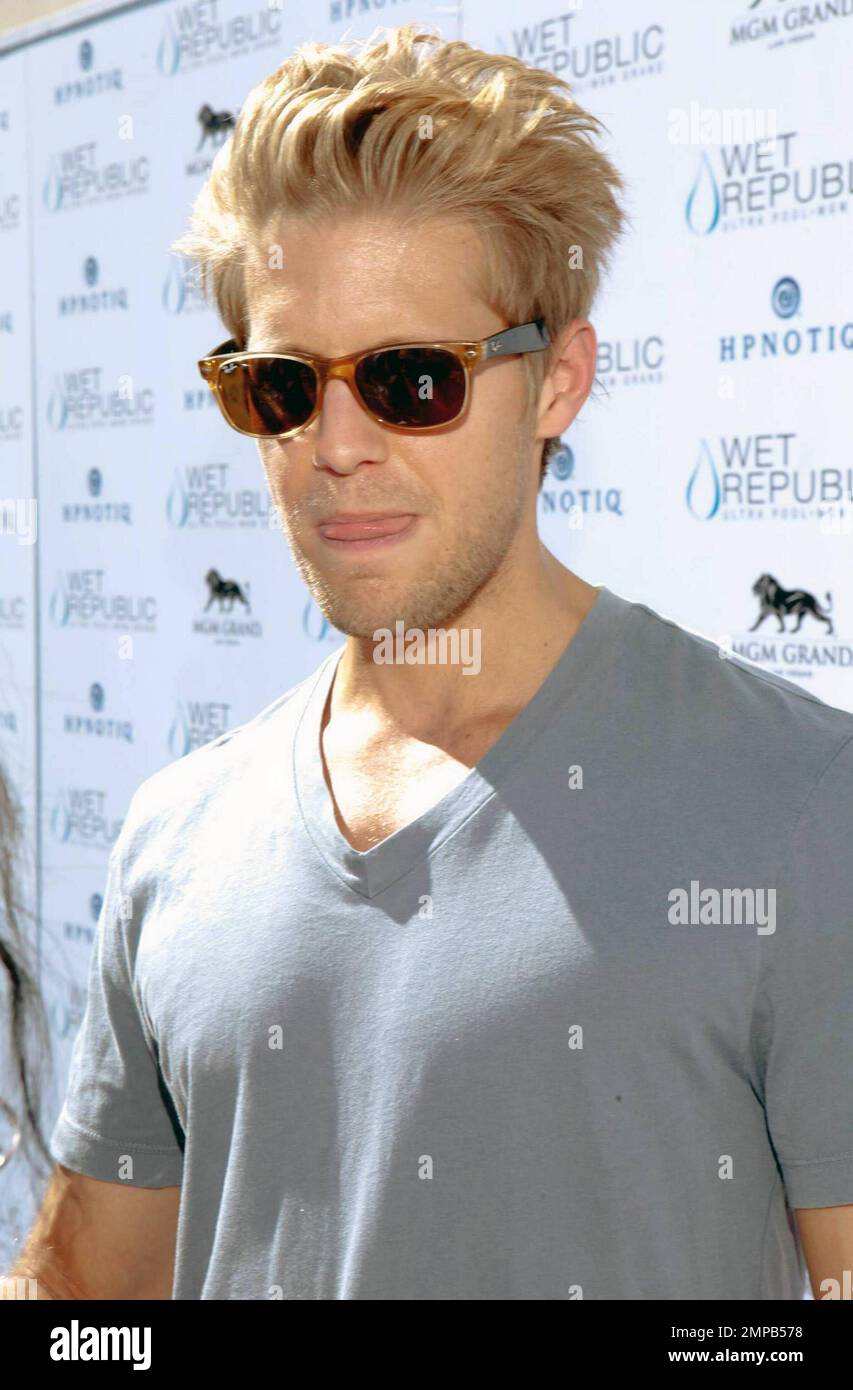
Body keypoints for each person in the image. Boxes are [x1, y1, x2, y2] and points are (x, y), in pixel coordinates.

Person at [8, 21, 853, 1301]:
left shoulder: (798, 803)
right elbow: (85, 1313)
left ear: (556, 381)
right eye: (282, 386)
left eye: (409, 381)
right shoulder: (173, 839)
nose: (336, 444)